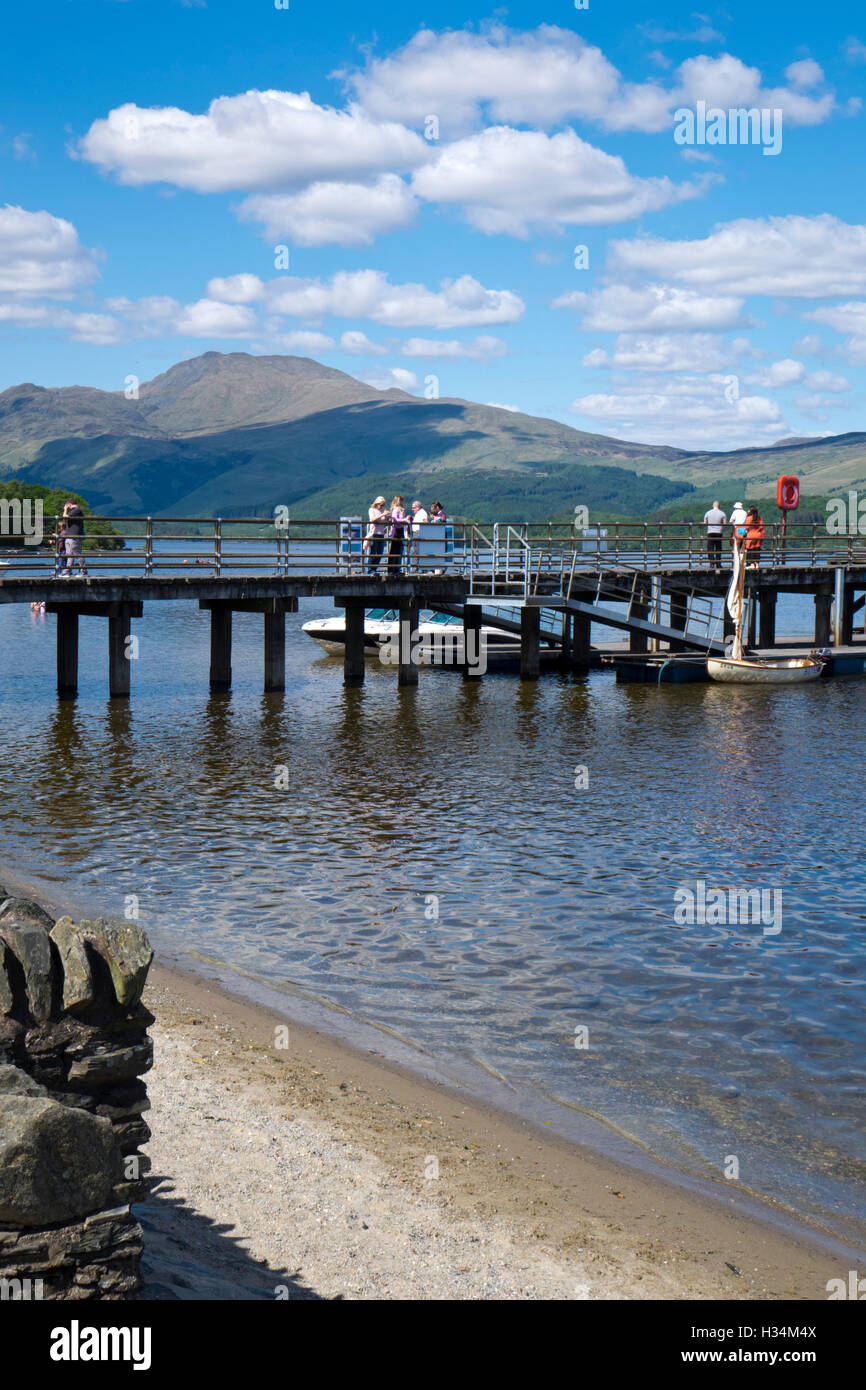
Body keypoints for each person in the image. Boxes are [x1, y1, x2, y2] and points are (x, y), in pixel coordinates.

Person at [61, 500, 87, 578]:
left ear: (69, 504)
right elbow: (65, 519)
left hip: (75, 535)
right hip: (69, 535)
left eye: (66, 505)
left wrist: (65, 509)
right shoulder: (73, 511)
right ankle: (68, 571)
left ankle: (83, 571)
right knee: (69, 555)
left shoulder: (77, 510)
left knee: (77, 554)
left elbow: (65, 517)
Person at [364, 495, 389, 573]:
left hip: (381, 533)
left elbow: (385, 522)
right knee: (373, 552)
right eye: (381, 505)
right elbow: (373, 520)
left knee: (380, 553)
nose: (382, 507)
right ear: (377, 503)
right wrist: (382, 515)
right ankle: (370, 569)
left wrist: (387, 517)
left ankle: (374, 568)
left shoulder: (382, 511)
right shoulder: (371, 510)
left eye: (383, 505)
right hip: (374, 533)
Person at [702, 500, 726, 568]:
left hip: (710, 532)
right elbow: (724, 523)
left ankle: (711, 562)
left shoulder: (708, 513)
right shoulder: (722, 513)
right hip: (719, 532)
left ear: (713, 505)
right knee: (718, 548)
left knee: (710, 548)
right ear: (719, 506)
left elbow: (705, 523)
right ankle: (718, 563)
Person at [387, 496, 407, 575]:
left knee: (398, 551)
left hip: (400, 531)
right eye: (401, 501)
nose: (403, 502)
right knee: (394, 551)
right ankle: (391, 570)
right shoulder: (396, 509)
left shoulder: (401, 510)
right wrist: (405, 519)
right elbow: (395, 519)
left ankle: (396, 569)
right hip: (396, 531)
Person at [408, 500, 428, 571]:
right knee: (415, 551)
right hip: (416, 533)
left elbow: (425, 522)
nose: (412, 509)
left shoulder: (422, 513)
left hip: (418, 533)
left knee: (416, 551)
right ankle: (415, 568)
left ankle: (414, 569)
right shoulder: (419, 513)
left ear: (418, 507)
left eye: (413, 508)